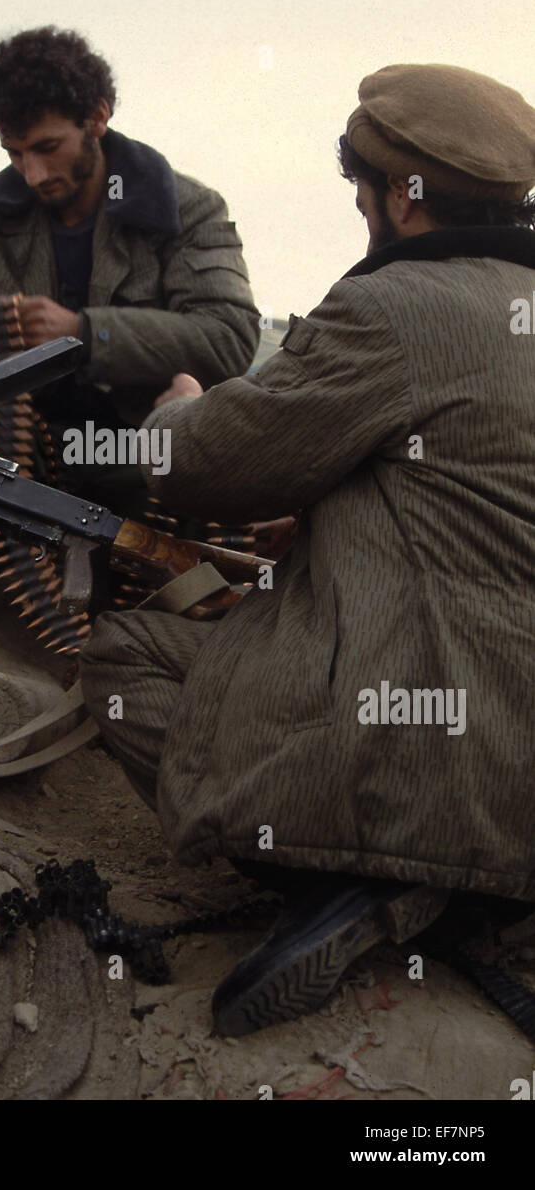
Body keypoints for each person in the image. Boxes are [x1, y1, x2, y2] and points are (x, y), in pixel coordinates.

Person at [79, 62, 535, 1034]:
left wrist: (178, 417)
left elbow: (213, 466)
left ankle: (345, 876)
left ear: (399, 199)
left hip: (442, 759)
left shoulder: (399, 308)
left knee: (129, 657)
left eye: (359, 192)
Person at [0, 26, 260, 511]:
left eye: (48, 148)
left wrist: (84, 333)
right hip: (23, 455)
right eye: (14, 152)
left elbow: (228, 336)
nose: (33, 174)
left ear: (98, 117)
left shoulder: (185, 209)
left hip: (142, 450)